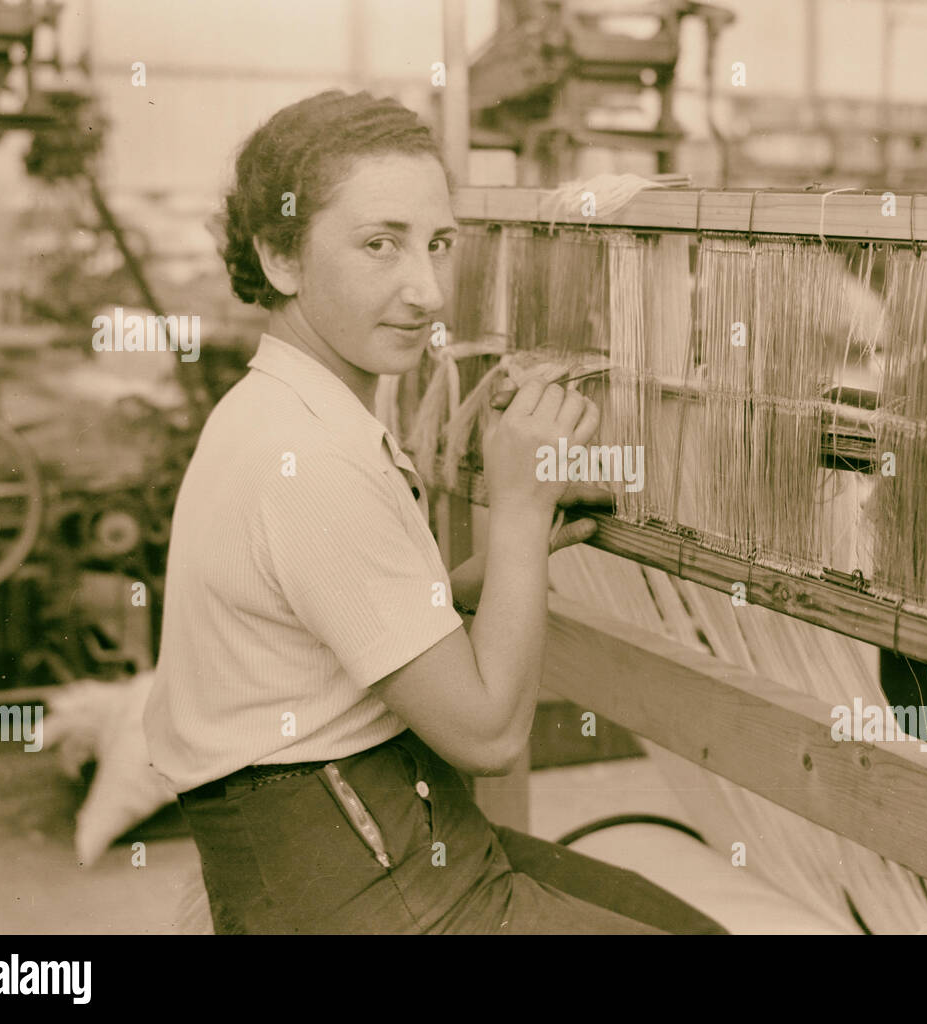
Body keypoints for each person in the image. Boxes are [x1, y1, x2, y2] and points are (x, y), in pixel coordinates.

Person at [143, 89, 726, 935]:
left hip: (391, 833)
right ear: (280, 256)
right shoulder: (309, 461)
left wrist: (492, 572)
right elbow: (488, 737)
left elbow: (334, 635)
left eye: (439, 245)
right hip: (357, 883)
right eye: (380, 245)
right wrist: (520, 517)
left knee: (678, 922)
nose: (425, 291)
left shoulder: (282, 409)